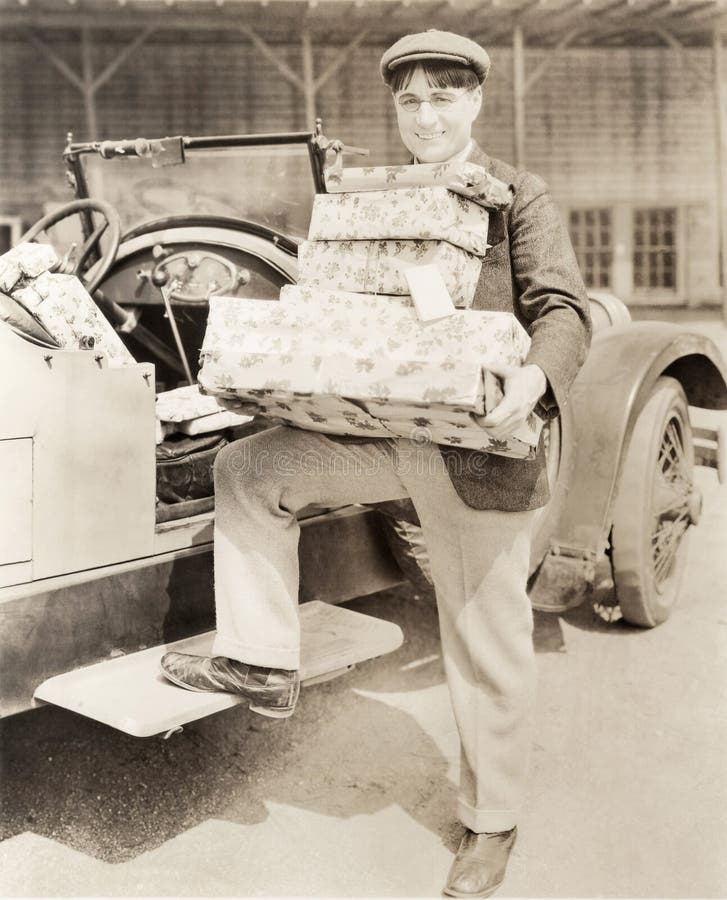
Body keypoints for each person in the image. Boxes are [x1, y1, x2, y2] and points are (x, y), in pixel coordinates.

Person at [160, 29, 591, 898]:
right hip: (373, 435)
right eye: (409, 100)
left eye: (442, 97)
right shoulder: (365, 197)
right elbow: (328, 312)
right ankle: (260, 658)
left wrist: (534, 378)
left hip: (476, 446)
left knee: (486, 641)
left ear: (474, 100)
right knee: (249, 471)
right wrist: (267, 373)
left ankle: (491, 822)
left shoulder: (515, 196)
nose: (425, 116)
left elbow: (563, 308)